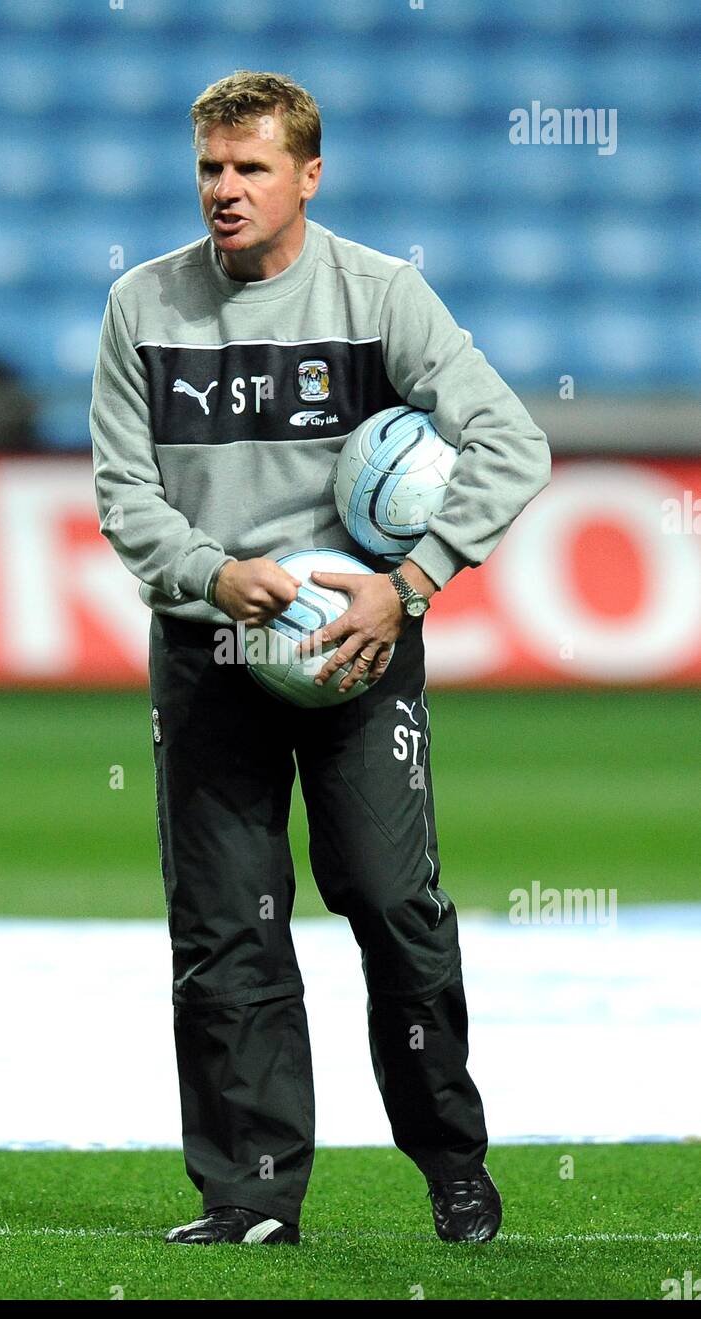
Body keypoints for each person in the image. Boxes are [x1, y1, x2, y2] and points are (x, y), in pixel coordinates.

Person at [90, 69, 550, 1246]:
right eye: (209, 168)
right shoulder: (142, 307)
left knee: (396, 908)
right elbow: (123, 492)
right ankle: (248, 1194)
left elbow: (509, 440)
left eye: (250, 168)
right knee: (225, 927)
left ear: (307, 174)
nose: (224, 191)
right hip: (211, 649)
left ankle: (453, 1169)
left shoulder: (380, 293)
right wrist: (208, 570)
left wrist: (409, 584)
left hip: (357, 650)